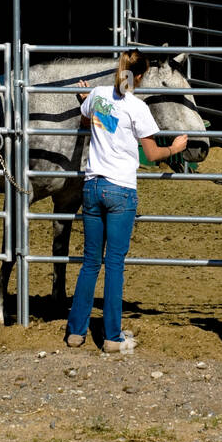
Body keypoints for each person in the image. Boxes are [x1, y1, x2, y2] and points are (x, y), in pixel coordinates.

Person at [65, 49, 187, 353]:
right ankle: (112, 336)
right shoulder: (137, 107)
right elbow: (152, 153)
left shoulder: (97, 94)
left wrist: (85, 103)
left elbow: (87, 122)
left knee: (90, 263)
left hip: (93, 186)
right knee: (115, 264)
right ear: (141, 76)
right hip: (120, 189)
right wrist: (175, 147)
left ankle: (75, 333)